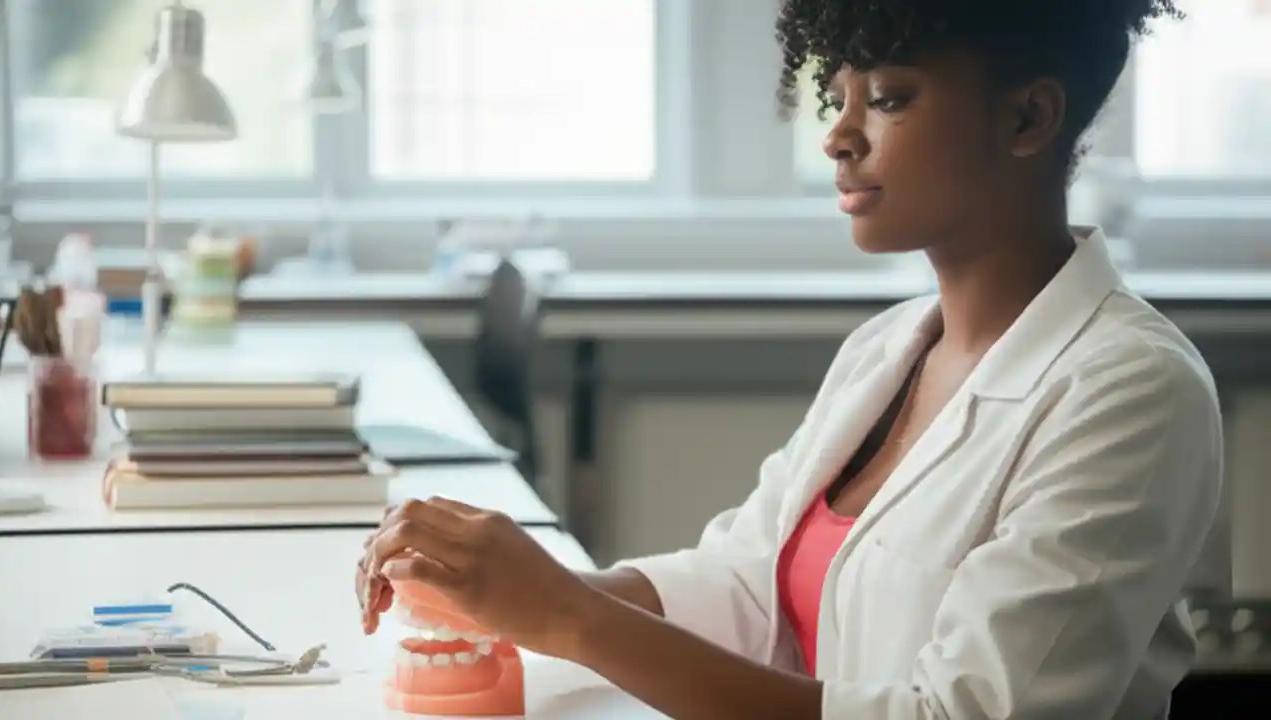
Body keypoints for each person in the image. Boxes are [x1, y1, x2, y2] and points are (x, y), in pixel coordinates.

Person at [356, 1, 1225, 717]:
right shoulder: (887, 348)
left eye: (887, 99)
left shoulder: (1129, 389)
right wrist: (509, 589)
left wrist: (569, 615)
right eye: (836, 98)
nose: (837, 137)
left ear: (1028, 117)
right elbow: (746, 581)